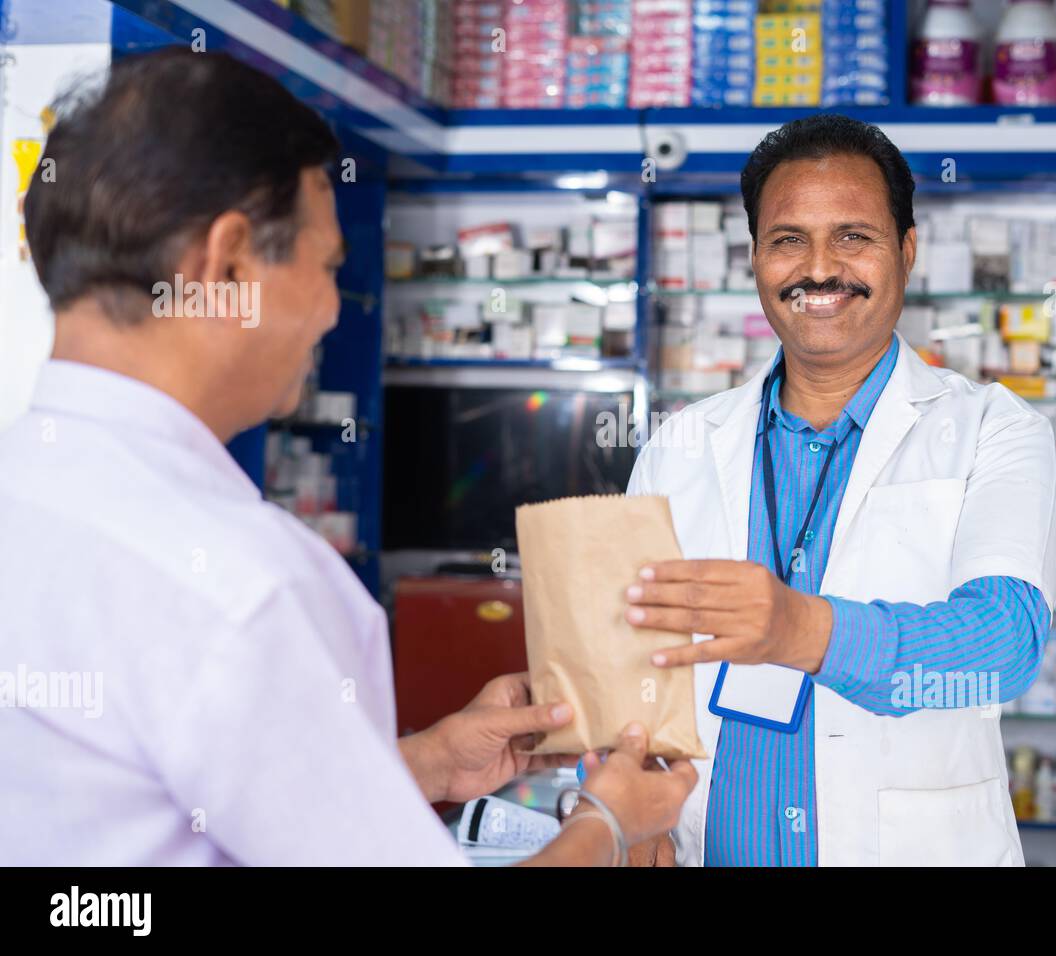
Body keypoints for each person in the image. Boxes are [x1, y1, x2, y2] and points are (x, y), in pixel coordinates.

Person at [0, 47, 695, 866]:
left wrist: (428, 760)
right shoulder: (247, 585)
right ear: (225, 266)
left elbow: (155, 798)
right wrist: (608, 825)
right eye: (328, 266)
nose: (333, 309)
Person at [622, 115, 1056, 866]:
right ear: (755, 258)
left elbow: (1004, 643)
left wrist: (799, 630)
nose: (819, 268)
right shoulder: (681, 442)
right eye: (787, 238)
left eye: (853, 235)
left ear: (907, 249)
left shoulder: (995, 428)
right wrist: (635, 824)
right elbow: (628, 659)